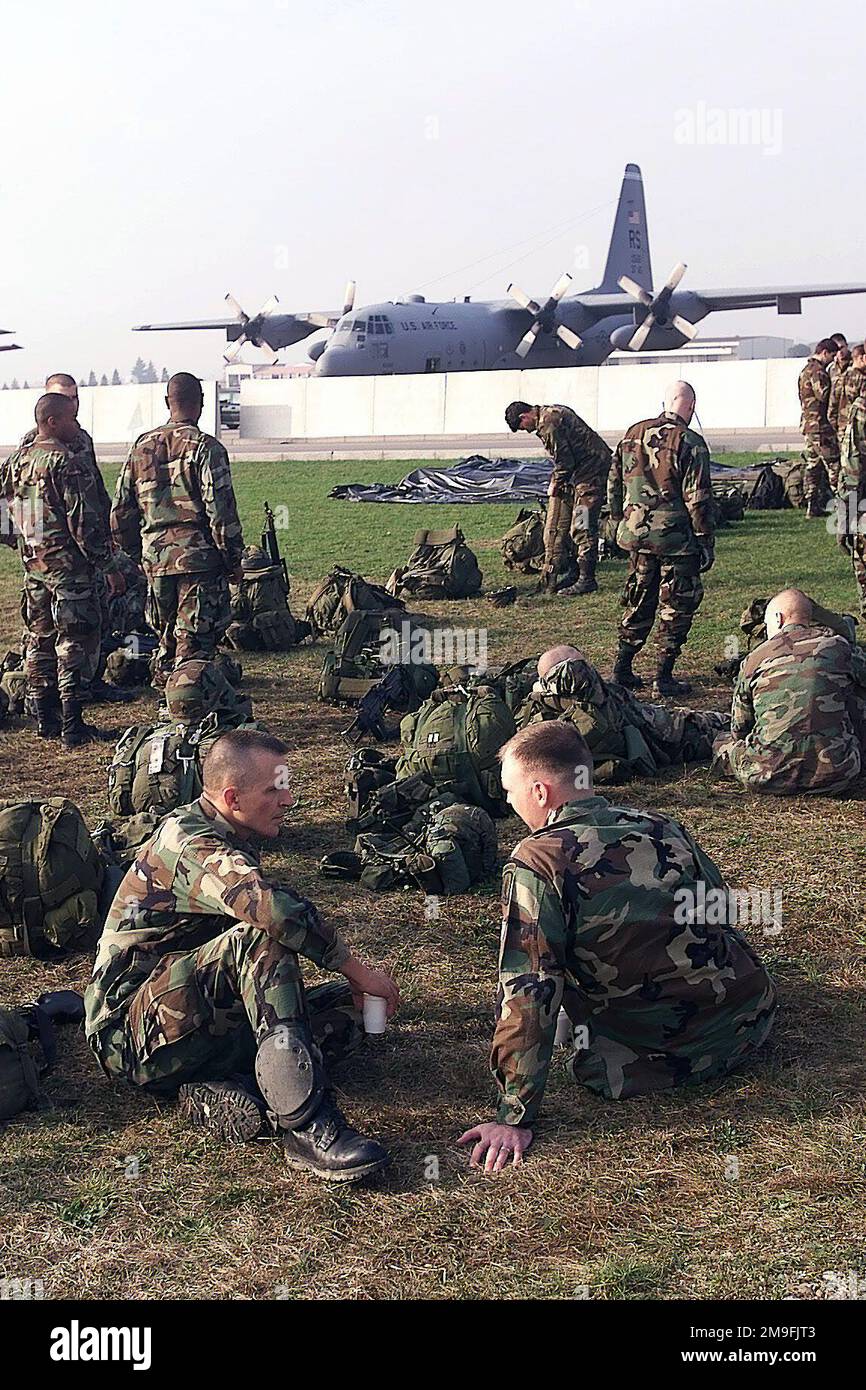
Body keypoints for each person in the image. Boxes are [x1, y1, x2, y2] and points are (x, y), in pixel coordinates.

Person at [457, 721, 777, 1172]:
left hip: (658, 1060)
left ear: (541, 791)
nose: (509, 803)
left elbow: (530, 987)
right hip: (746, 1024)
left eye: (511, 792)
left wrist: (513, 1115)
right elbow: (720, 911)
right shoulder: (662, 826)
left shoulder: (538, 859)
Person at [85, 728, 400, 1183]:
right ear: (232, 797)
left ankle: (238, 1089)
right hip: (132, 1035)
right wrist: (356, 968)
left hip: (188, 1015)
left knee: (349, 1010)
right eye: (275, 789)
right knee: (263, 939)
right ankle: (305, 1127)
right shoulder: (190, 840)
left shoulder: (229, 828)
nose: (289, 800)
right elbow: (273, 912)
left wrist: (353, 984)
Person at [0, 393, 124, 747]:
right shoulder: (64, 462)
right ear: (52, 421)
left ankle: (45, 720)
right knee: (74, 641)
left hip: (34, 566)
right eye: (72, 417)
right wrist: (108, 565)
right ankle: (72, 726)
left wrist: (20, 540)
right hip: (69, 569)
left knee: (39, 640)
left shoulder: (17, 461)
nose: (77, 425)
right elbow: (83, 524)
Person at [111, 371, 244, 686]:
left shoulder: (141, 446)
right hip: (199, 561)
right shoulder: (206, 448)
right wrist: (232, 560)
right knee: (194, 643)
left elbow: (120, 512)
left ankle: (167, 701)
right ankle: (186, 712)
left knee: (167, 637)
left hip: (156, 560)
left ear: (166, 402)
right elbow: (221, 512)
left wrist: (137, 555)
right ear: (200, 403)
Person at [18, 373, 132, 704]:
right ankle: (61, 705)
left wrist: (110, 526)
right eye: (66, 400)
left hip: (81, 550)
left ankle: (88, 683)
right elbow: (24, 503)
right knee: (63, 631)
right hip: (61, 554)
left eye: (76, 399)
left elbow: (95, 489)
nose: (74, 408)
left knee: (92, 619)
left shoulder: (82, 439)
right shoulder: (33, 446)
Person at [607, 380, 714, 697]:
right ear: (691, 407)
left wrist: (616, 520)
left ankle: (622, 669)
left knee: (639, 599)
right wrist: (705, 540)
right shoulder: (690, 441)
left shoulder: (632, 432)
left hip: (636, 533)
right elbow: (698, 498)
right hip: (675, 539)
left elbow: (614, 480)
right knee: (676, 607)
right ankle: (663, 677)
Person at [713, 588, 866, 794]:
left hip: (766, 777)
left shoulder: (755, 658)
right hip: (839, 773)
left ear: (778, 618)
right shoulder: (839, 646)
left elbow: (740, 728)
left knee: (722, 742)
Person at [516, 644, 728, 777]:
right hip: (668, 736)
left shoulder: (540, 708)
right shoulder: (593, 697)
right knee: (722, 727)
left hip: (658, 727)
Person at [504, 401, 612, 595]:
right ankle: (575, 572)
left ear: (524, 417)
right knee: (571, 523)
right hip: (584, 470)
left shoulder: (548, 423)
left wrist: (555, 482)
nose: (527, 431)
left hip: (591, 472)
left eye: (523, 427)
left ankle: (586, 580)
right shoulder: (550, 411)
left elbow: (564, 461)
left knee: (582, 525)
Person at [798, 339, 839, 513]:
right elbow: (824, 396)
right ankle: (844, 504)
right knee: (834, 465)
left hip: (808, 425)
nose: (833, 359)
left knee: (812, 466)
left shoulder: (805, 370)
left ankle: (811, 504)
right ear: (824, 352)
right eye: (832, 355)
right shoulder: (818, 372)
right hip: (819, 427)